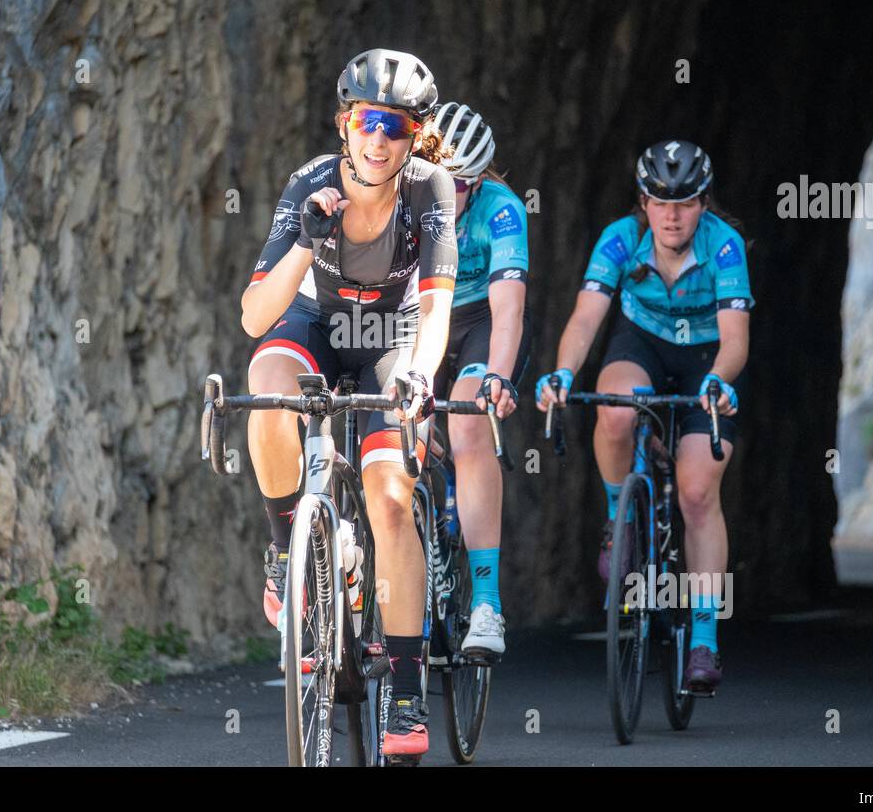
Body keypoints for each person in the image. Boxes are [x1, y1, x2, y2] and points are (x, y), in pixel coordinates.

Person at [242, 48, 457, 758]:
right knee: (267, 385)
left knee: (390, 495)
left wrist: (420, 378)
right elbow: (255, 314)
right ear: (345, 124)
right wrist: (307, 240)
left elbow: (436, 305)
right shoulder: (309, 182)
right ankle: (285, 554)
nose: (377, 138)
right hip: (318, 324)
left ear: (413, 139)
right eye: (366, 121)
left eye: (394, 127)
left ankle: (403, 688)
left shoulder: (430, 190)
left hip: (392, 337)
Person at [534, 140, 752, 692]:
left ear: (704, 203)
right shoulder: (621, 239)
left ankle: (703, 638)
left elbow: (736, 341)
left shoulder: (724, 247)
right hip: (643, 345)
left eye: (684, 202)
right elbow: (586, 320)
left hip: (708, 360)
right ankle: (619, 520)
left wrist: (716, 382)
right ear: (644, 201)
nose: (672, 214)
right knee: (615, 411)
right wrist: (564, 373)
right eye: (660, 201)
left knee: (698, 492)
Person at [430, 101, 530, 659]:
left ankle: (487, 604)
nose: (449, 194)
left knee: (467, 430)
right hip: (421, 319)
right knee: (397, 431)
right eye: (441, 180)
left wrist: (499, 377)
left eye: (462, 184)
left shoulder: (502, 212)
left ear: (482, 178)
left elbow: (509, 309)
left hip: (481, 323)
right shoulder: (401, 196)